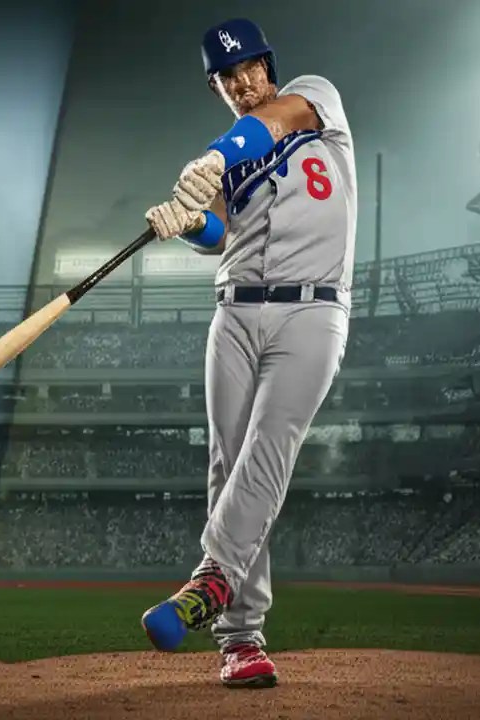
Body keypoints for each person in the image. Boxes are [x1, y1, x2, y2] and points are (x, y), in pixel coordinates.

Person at [139, 18, 356, 689]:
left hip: (312, 308)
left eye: (249, 67)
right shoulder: (230, 163)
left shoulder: (312, 99)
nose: (241, 83)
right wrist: (187, 223)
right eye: (226, 77)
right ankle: (241, 641)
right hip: (233, 310)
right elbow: (222, 232)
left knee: (269, 444)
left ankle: (211, 579)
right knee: (227, 463)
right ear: (216, 87)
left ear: (268, 65)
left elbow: (274, 122)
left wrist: (212, 158)